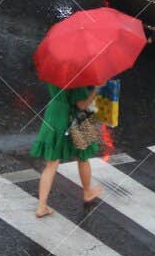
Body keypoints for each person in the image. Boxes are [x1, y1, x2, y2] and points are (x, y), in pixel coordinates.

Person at [31, 83, 103, 215]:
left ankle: (42, 206)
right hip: (73, 117)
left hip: (53, 114)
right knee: (83, 157)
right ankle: (87, 192)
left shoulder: (55, 74)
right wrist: (96, 89)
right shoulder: (78, 80)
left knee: (51, 164)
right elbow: (82, 105)